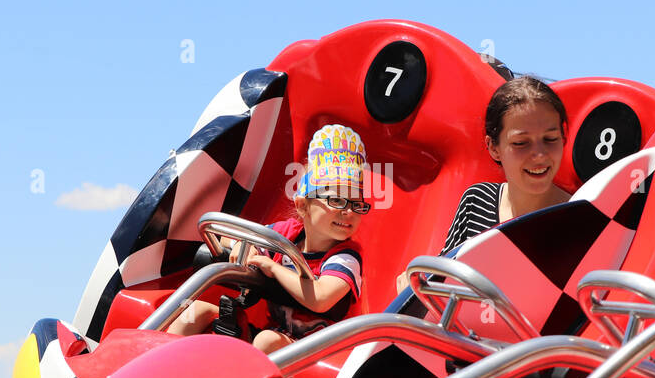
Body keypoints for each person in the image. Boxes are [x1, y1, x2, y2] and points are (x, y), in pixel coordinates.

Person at [168, 124, 370, 353]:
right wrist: (244, 246)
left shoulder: (346, 257)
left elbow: (321, 298)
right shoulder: (286, 235)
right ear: (303, 206)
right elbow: (226, 238)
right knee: (195, 311)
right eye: (337, 200)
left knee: (266, 340)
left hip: (322, 354)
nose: (349, 211)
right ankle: (156, 371)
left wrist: (272, 269)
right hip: (276, 339)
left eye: (357, 204)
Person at [398, 76, 570, 291]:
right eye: (521, 143)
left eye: (550, 139)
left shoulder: (580, 219)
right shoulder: (477, 201)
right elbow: (441, 280)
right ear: (493, 147)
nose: (539, 155)